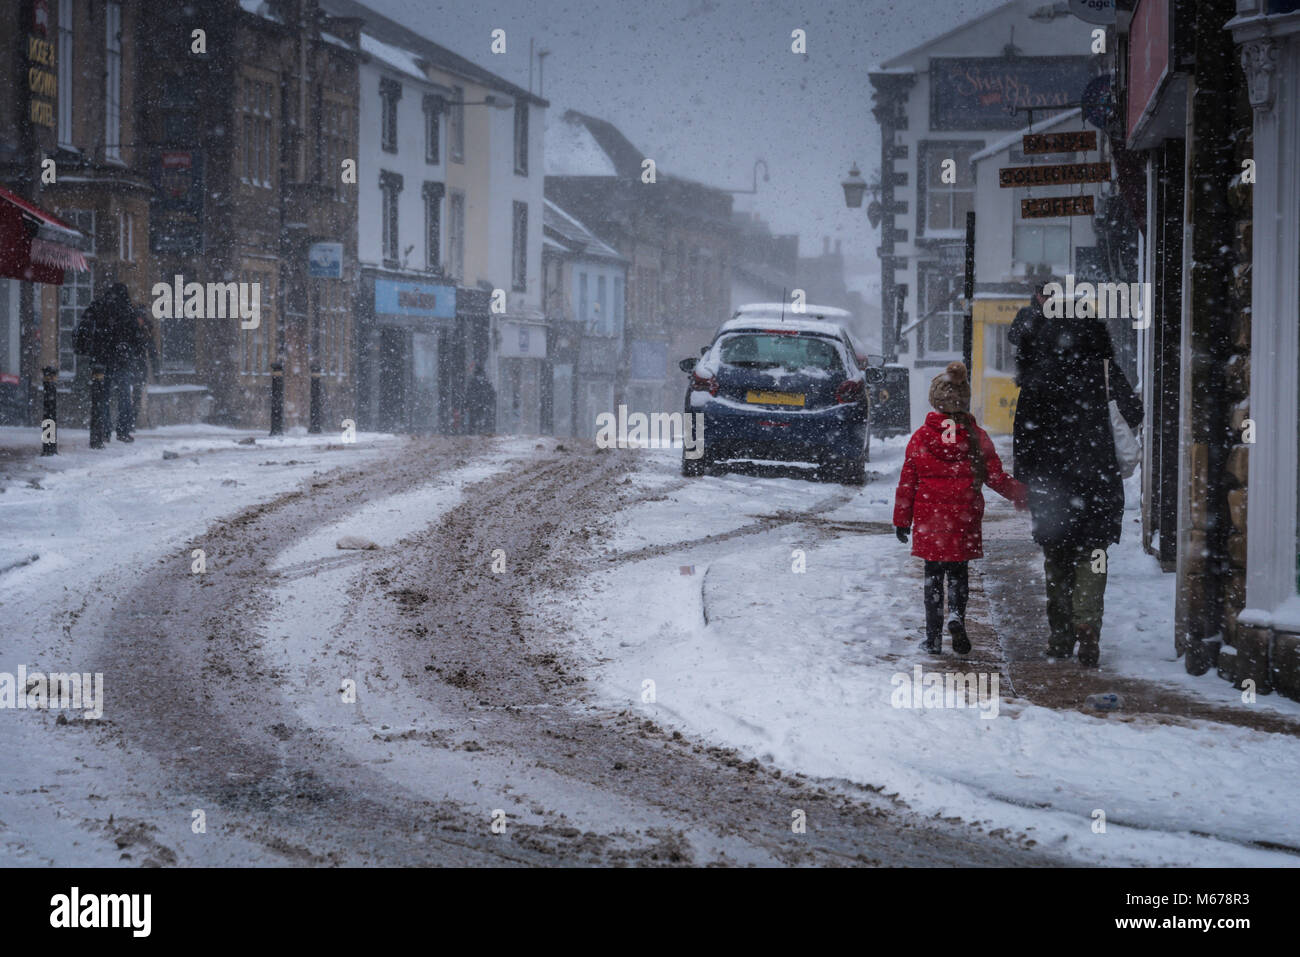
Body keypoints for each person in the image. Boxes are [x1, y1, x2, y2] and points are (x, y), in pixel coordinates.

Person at [1011, 284, 1143, 667]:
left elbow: (1024, 431)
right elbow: (1132, 412)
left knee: (1058, 557)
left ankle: (1060, 636)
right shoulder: (1102, 367)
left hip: (1051, 482)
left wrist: (1025, 478)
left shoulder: (1037, 371)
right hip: (1097, 478)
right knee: (1094, 553)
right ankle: (1088, 621)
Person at [894, 361, 1027, 655]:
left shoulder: (920, 437)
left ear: (935, 401)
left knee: (933, 577)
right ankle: (956, 614)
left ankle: (932, 639)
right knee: (958, 573)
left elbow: (907, 483)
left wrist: (902, 520)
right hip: (962, 517)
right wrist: (1023, 495)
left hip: (930, 519)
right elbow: (995, 477)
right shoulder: (977, 437)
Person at [128, 306, 158, 429]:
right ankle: (129, 421)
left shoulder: (145, 332)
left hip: (138, 366)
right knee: (131, 395)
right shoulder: (135, 332)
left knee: (136, 396)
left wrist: (156, 371)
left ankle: (131, 421)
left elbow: (152, 352)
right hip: (131, 366)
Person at [466, 362, 496, 434]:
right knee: (483, 417)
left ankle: (473, 432)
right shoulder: (486, 381)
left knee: (473, 419)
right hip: (484, 403)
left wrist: (467, 404)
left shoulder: (472, 381)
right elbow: (491, 392)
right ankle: (482, 430)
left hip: (474, 404)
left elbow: (468, 393)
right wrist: (490, 402)